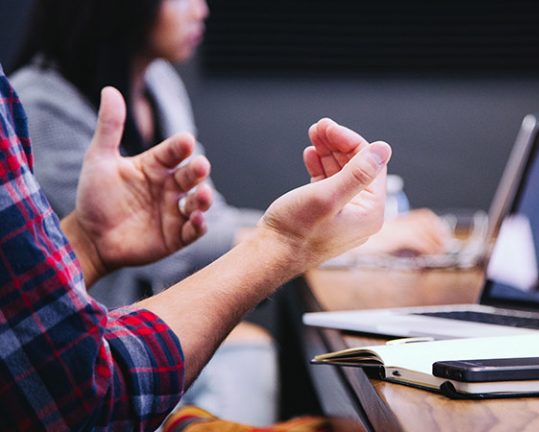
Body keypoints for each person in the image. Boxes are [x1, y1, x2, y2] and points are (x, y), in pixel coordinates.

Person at [10, 0, 447, 423]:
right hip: (100, 358)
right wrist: (302, 239)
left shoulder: (159, 83)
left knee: (255, 353)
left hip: (129, 344)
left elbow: (202, 222)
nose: (202, 8)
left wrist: (90, 242)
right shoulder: (40, 104)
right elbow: (185, 250)